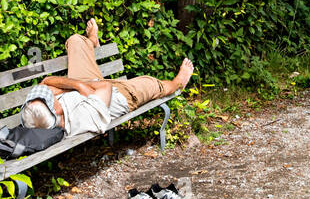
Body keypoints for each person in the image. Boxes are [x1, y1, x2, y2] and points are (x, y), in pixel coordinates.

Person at [20, 19, 193, 137]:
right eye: (49, 100)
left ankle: (92, 40)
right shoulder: (82, 117)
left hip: (90, 85)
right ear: (55, 111)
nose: (50, 96)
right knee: (153, 84)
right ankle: (179, 82)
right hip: (121, 96)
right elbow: (105, 88)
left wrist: (80, 86)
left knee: (75, 41)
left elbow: (45, 82)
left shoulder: (42, 113)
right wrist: (76, 87)